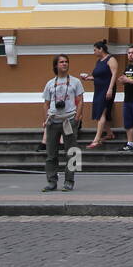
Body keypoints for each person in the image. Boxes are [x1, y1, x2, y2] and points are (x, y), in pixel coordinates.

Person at [42, 54, 85, 192]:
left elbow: (80, 101)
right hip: (53, 121)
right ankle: (51, 181)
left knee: (73, 152)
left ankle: (69, 180)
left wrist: (77, 118)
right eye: (61, 62)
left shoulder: (75, 82)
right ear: (56, 65)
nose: (64, 64)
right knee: (51, 154)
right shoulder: (50, 83)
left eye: (66, 62)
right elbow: (46, 103)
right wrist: (46, 119)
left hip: (69, 120)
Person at [80, 40, 118, 148]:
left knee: (102, 112)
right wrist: (88, 78)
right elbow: (98, 76)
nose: (94, 52)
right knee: (98, 112)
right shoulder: (99, 61)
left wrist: (110, 89)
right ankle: (109, 133)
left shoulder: (111, 59)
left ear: (101, 49)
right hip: (98, 89)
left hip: (106, 89)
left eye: (95, 50)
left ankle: (96, 140)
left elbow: (114, 74)